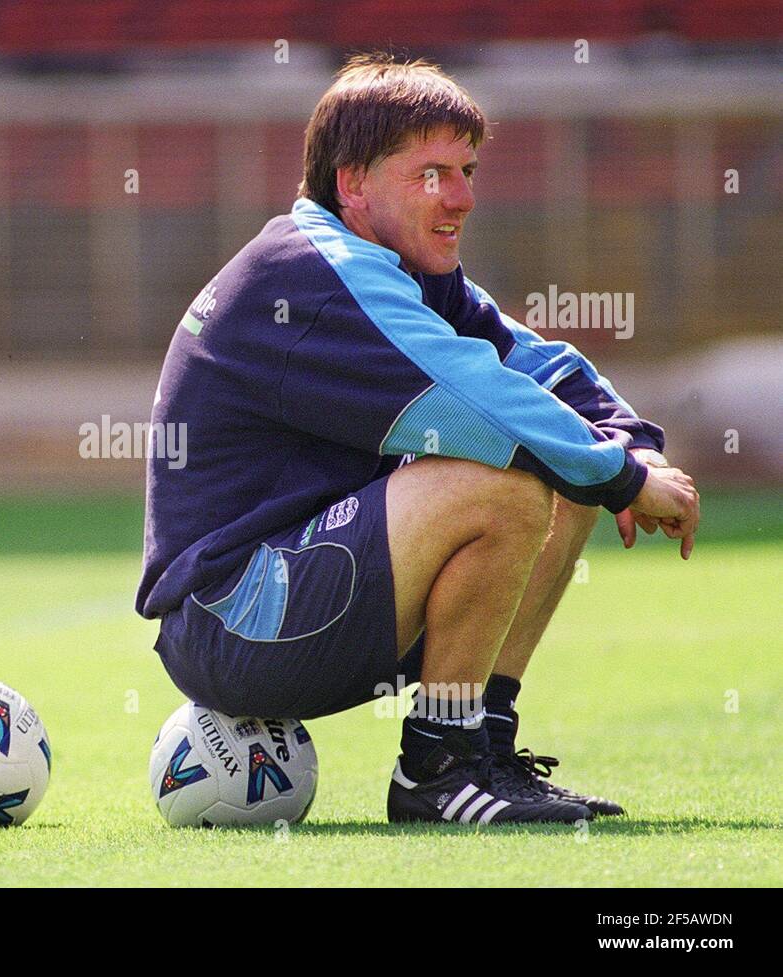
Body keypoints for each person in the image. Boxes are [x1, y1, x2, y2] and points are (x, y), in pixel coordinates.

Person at [136, 53, 700, 824]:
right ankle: (439, 767)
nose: (464, 197)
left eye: (468, 169)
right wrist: (626, 482)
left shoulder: (400, 265)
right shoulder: (314, 273)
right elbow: (487, 400)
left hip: (298, 591)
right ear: (354, 183)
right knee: (512, 475)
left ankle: (483, 750)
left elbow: (540, 367)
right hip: (230, 618)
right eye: (433, 173)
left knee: (563, 467)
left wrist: (631, 445)